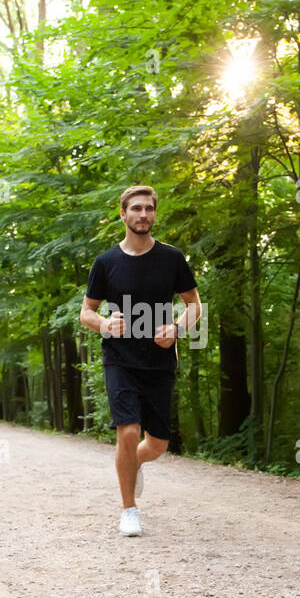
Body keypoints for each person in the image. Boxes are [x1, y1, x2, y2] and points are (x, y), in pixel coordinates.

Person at [80, 184, 201, 537]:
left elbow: (194, 305)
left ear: (154, 214)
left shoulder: (171, 258)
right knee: (129, 431)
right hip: (120, 359)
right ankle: (129, 509)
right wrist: (103, 323)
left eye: (149, 209)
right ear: (123, 214)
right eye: (136, 209)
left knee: (158, 444)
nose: (143, 215)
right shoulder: (106, 263)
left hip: (159, 360)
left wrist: (177, 328)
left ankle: (133, 466)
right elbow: (86, 313)